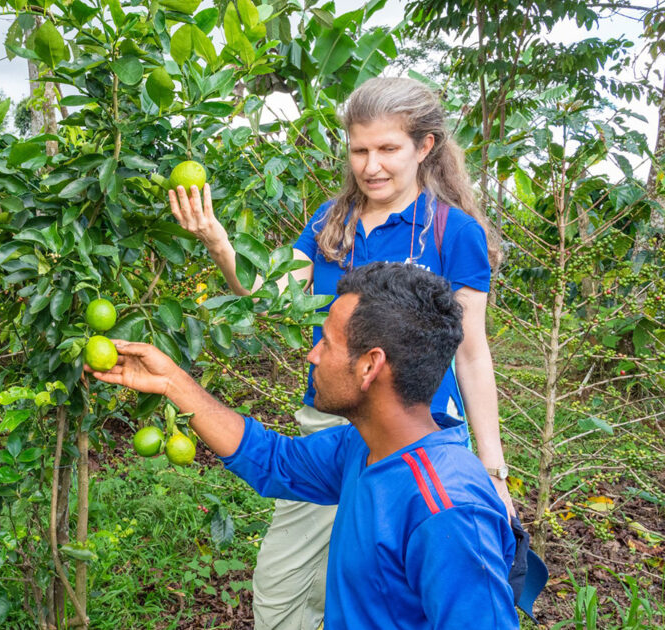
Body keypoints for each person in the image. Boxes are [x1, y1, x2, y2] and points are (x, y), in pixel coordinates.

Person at [168, 76, 514, 629]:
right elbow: (277, 296)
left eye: (387, 149)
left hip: (413, 430)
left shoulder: (453, 232)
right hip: (332, 420)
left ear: (424, 147)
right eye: (359, 150)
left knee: (384, 586)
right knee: (281, 585)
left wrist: (492, 469)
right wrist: (219, 243)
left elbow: (471, 354)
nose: (371, 165)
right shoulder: (333, 221)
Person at [88, 262, 519, 629]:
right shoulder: (366, 446)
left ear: (370, 366)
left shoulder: (448, 509)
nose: (312, 355)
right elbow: (276, 461)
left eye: (326, 342)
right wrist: (171, 382)